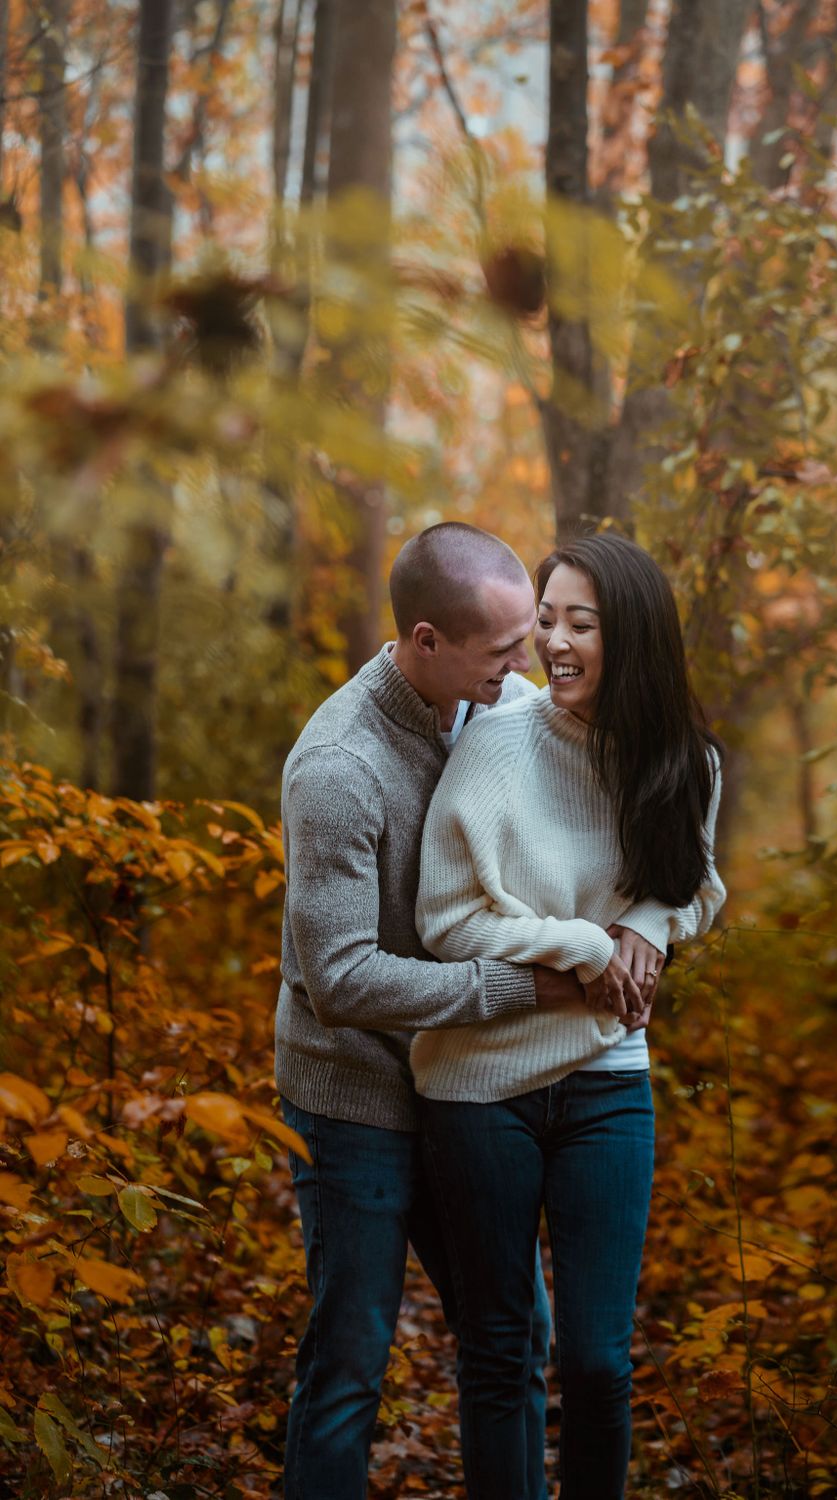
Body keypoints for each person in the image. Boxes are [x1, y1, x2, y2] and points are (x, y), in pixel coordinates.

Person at [275, 523, 594, 1500]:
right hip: (358, 1097)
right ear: (423, 641)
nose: (524, 664)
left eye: (523, 642)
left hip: (461, 1084)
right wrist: (510, 990)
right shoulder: (339, 765)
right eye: (501, 649)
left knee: (516, 1332)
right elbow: (341, 978)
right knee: (351, 1361)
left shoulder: (493, 708)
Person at [412, 532, 727, 1500]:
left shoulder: (682, 762)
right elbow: (445, 921)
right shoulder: (494, 741)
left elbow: (693, 888)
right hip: (479, 1086)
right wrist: (592, 947)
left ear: (627, 636)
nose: (552, 643)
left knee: (597, 1358)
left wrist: (644, 926)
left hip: (605, 1081)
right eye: (544, 620)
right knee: (500, 1349)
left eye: (577, 623)